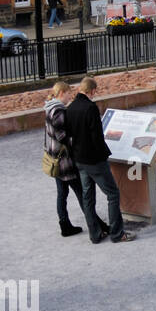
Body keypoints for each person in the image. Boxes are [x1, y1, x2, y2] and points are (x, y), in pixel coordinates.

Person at [64, 76, 136, 244]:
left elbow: (69, 134)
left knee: (88, 197)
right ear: (93, 91)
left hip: (80, 159)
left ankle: (95, 234)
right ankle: (117, 234)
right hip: (94, 160)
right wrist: (104, 154)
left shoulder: (71, 107)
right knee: (112, 193)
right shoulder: (91, 108)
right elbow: (97, 137)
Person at [44, 81, 92, 238]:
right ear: (61, 93)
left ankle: (65, 225)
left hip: (55, 157)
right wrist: (78, 141)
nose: (70, 96)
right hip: (64, 160)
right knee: (81, 192)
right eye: (69, 93)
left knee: (62, 193)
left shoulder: (49, 107)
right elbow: (62, 136)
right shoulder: (58, 111)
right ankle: (95, 223)